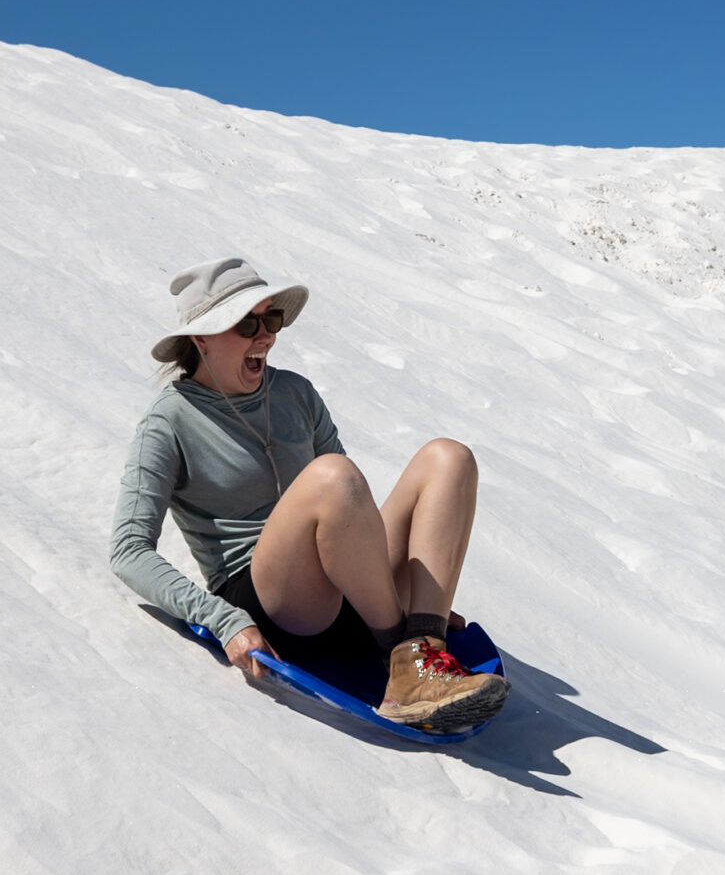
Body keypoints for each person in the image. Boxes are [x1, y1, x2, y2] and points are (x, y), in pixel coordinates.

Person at [111, 256, 508, 728]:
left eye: (272, 319)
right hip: (273, 602)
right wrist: (224, 620)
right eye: (247, 324)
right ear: (202, 339)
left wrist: (425, 603)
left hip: (344, 587)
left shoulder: (295, 393)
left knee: (449, 458)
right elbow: (128, 550)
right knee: (331, 476)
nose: (265, 336)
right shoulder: (170, 421)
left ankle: (420, 647)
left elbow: (354, 511)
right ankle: (406, 668)